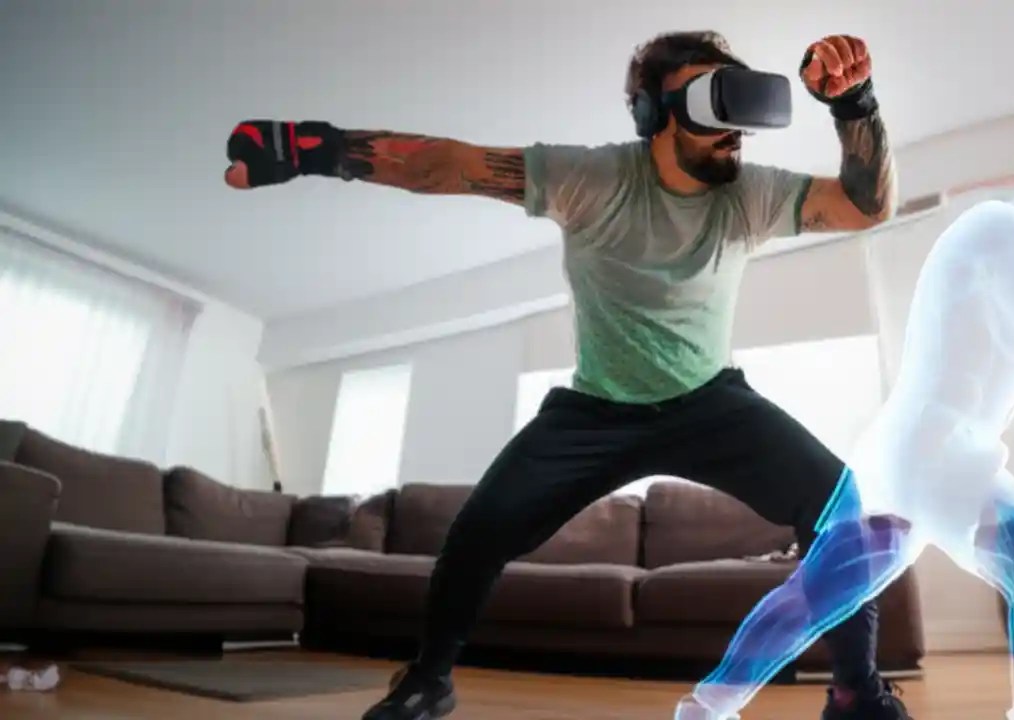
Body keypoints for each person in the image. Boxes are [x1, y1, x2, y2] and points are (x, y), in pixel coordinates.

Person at [224, 30, 908, 720]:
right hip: (595, 413)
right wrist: (314, 149)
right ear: (652, 116)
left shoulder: (748, 194)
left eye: (736, 108)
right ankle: (428, 680)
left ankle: (856, 692)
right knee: (479, 531)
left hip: (711, 403)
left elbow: (864, 206)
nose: (732, 132)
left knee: (840, 508)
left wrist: (856, 107)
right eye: (709, 105)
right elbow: (450, 166)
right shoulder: (596, 179)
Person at [674, 118, 1014, 720]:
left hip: (913, 452)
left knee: (816, 597)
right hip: (935, 447)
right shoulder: (1000, 225)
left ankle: (703, 710)